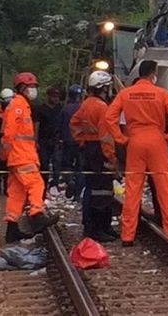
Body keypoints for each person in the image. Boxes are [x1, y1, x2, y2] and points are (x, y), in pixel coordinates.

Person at [104, 60, 168, 246]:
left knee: (133, 190)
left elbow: (109, 117)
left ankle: (127, 236)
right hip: (157, 142)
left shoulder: (125, 93)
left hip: (135, 142)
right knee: (165, 189)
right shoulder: (162, 93)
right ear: (153, 74)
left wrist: (120, 138)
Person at [1, 72, 58, 242]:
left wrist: (8, 157)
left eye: (34, 86)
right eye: (31, 86)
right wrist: (7, 154)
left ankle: (12, 229)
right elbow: (9, 133)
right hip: (21, 156)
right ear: (21, 88)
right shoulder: (18, 105)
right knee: (36, 184)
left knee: (16, 193)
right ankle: (37, 215)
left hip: (19, 156)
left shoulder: (22, 105)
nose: (33, 90)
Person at [71, 72, 118, 242]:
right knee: (102, 190)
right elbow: (106, 136)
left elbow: (74, 123)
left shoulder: (85, 104)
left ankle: (97, 226)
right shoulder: (102, 107)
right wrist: (111, 158)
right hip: (100, 151)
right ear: (103, 88)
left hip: (89, 149)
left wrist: (82, 140)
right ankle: (98, 228)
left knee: (91, 188)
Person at [34, 86, 62, 191]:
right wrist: (35, 140)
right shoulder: (41, 109)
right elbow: (37, 125)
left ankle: (54, 184)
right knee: (44, 165)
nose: (56, 99)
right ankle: (43, 185)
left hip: (56, 141)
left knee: (57, 164)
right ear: (48, 96)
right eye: (54, 96)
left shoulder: (59, 109)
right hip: (43, 141)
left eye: (57, 96)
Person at [60, 84, 84, 199]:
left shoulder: (65, 109)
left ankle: (69, 180)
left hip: (68, 141)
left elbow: (59, 125)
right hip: (81, 142)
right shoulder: (83, 108)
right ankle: (77, 194)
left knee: (66, 165)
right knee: (80, 168)